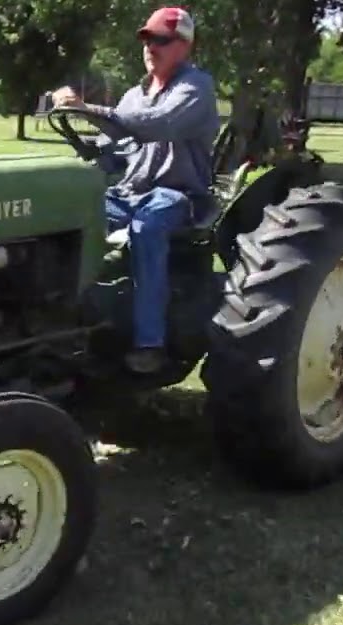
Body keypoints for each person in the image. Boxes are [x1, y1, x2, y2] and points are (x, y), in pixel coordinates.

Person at [51, 6, 220, 374]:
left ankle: (150, 342)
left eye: (160, 39)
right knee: (68, 214)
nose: (149, 46)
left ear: (184, 46)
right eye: (146, 38)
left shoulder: (196, 88)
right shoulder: (134, 95)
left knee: (149, 224)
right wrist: (89, 147)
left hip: (179, 195)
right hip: (129, 193)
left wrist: (86, 107)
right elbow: (116, 151)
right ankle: (63, 324)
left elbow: (157, 126)